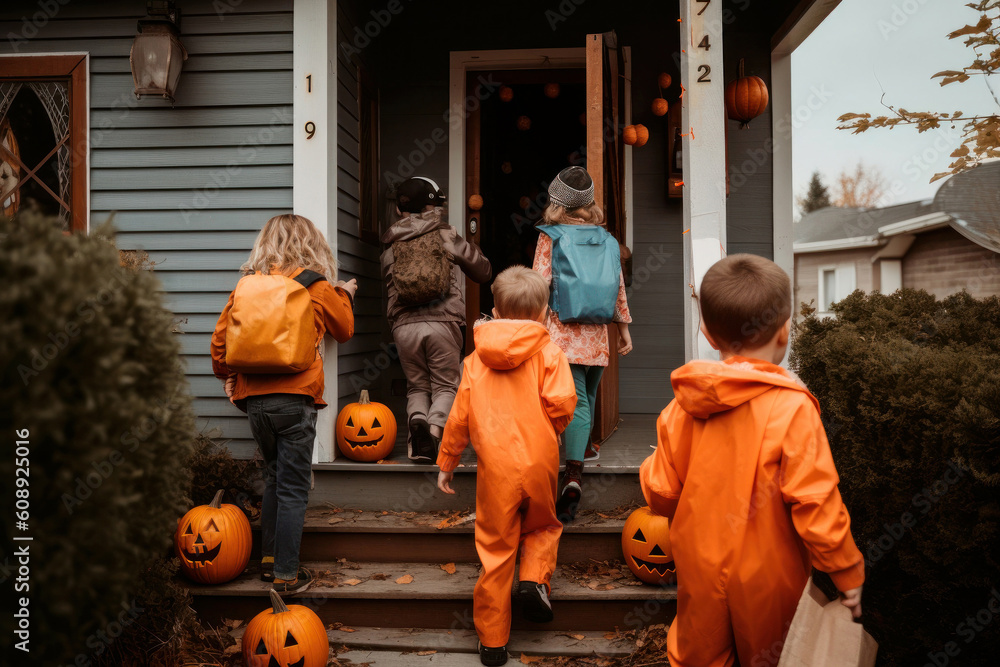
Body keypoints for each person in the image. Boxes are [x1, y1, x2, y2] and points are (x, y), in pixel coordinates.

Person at [639, 253, 865, 667]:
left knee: (698, 656)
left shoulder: (681, 407)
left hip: (701, 566)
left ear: (707, 333)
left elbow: (660, 493)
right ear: (785, 333)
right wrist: (847, 572)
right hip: (771, 575)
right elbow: (817, 501)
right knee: (775, 657)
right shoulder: (793, 409)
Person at [436, 266, 577, 667]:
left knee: (496, 550)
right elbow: (564, 402)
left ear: (495, 311)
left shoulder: (474, 361)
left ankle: (493, 642)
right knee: (544, 525)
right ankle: (533, 580)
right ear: (544, 313)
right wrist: (551, 428)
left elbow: (459, 417)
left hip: (494, 468)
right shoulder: (550, 352)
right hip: (540, 460)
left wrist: (447, 461)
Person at [211, 214, 357, 595]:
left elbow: (218, 349)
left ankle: (269, 559)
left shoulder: (246, 287)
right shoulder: (317, 285)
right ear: (311, 245)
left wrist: (231, 375)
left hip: (256, 403)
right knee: (293, 487)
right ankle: (287, 576)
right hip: (296, 400)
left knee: (275, 477)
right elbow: (344, 330)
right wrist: (344, 294)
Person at [532, 166, 632, 522]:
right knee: (586, 398)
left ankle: (572, 474)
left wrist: (533, 327)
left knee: (573, 403)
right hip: (597, 335)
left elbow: (540, 285)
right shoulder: (606, 239)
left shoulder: (551, 237)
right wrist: (624, 330)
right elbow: (617, 287)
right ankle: (582, 450)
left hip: (562, 332)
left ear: (557, 204)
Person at [381, 176, 492, 463]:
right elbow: (483, 272)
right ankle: (432, 431)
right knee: (445, 385)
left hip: (404, 327)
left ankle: (416, 425)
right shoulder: (447, 236)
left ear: (398, 210)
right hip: (444, 323)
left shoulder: (390, 242)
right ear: (435, 206)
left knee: (417, 386)